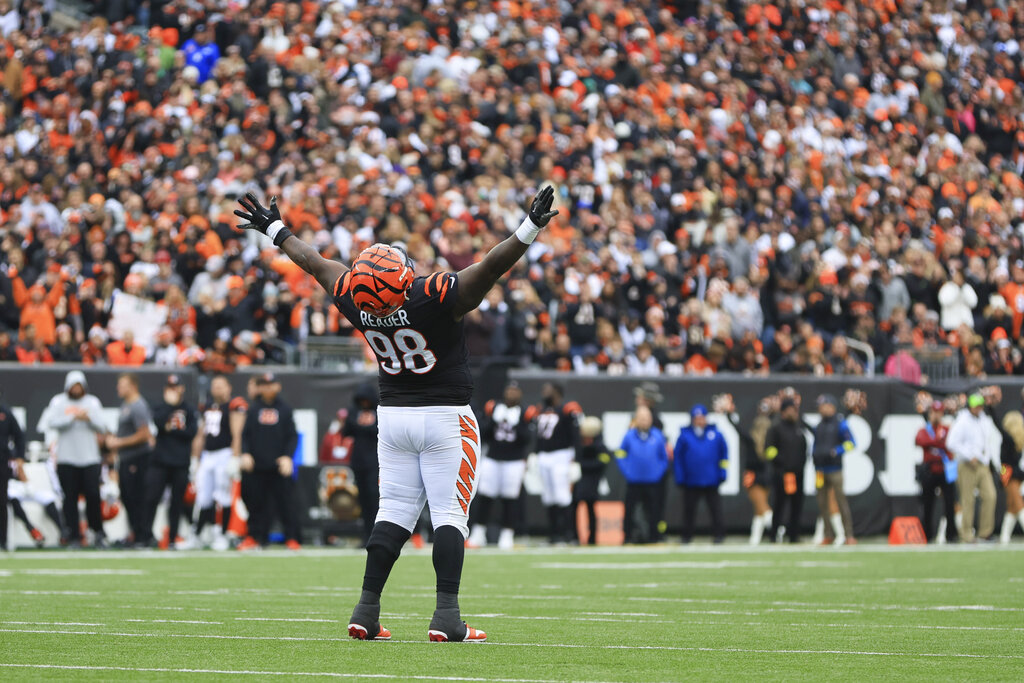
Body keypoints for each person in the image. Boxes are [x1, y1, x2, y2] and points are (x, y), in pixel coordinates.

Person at [234, 184, 558, 642]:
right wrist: (530, 227)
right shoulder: (432, 294)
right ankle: (447, 615)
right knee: (449, 514)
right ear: (404, 277)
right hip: (446, 415)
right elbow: (490, 267)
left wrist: (275, 229)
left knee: (394, 511)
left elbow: (315, 264)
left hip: (394, 417)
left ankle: (366, 609)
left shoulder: (354, 298)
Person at [40, 370, 108, 548]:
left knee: (93, 496)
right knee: (69, 498)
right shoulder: (58, 401)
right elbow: (50, 423)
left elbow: (102, 426)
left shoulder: (92, 402)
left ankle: (97, 532)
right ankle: (74, 535)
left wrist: (88, 418)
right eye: (73, 386)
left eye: (79, 386)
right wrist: (72, 417)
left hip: (89, 457)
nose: (76, 389)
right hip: (66, 458)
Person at [238, 373, 301, 551]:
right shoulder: (253, 408)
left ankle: (292, 537)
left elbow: (292, 436)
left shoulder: (285, 409)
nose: (267, 388)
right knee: (255, 503)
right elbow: (245, 435)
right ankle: (255, 537)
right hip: (257, 465)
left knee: (286, 503)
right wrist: (245, 453)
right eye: (263, 385)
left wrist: (288, 457)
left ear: (277, 386)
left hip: (278, 465)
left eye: (270, 384)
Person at [468, 381, 531, 550]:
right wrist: (493, 421)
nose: (511, 394)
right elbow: (483, 433)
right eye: (509, 390)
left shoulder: (525, 412)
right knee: (485, 496)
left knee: (509, 498)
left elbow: (528, 439)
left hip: (514, 460)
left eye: (514, 391)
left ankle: (507, 534)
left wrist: (516, 424)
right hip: (493, 457)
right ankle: (478, 533)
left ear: (520, 394)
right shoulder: (494, 407)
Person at [140, 375, 200, 549]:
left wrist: (171, 429)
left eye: (176, 387)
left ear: (182, 389)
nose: (173, 391)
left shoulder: (189, 409)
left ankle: (173, 538)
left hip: (180, 462)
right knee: (151, 498)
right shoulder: (160, 406)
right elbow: (158, 423)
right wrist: (170, 406)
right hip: (160, 461)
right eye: (170, 387)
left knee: (177, 502)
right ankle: (145, 536)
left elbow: (190, 432)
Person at [192, 374, 247, 550]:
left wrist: (235, 456)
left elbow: (237, 433)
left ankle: (222, 534)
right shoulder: (207, 405)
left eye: (221, 385)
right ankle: (198, 534)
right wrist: (195, 458)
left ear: (229, 387)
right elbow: (201, 434)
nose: (217, 388)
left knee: (223, 495)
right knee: (203, 497)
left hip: (224, 453)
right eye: (214, 385)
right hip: (208, 454)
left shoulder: (233, 405)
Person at [526, 382, 583, 545]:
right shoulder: (541, 410)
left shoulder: (567, 409)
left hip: (561, 455)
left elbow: (575, 436)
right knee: (549, 497)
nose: (544, 392)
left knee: (562, 496)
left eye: (547, 389)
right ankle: (554, 534)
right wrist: (535, 453)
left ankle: (568, 534)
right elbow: (538, 435)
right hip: (544, 456)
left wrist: (576, 461)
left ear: (556, 392)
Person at [718, 393, 772, 544]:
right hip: (766, 475)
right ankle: (755, 538)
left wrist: (729, 414)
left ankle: (777, 530)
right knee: (759, 510)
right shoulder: (770, 440)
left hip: (753, 475)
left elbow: (738, 428)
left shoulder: (751, 440)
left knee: (762, 507)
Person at [106, 373, 153, 547]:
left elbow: (144, 434)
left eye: (122, 385)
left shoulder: (138, 405)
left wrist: (119, 442)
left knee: (136, 497)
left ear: (133, 386)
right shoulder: (126, 405)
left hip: (137, 458)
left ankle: (142, 535)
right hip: (127, 457)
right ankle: (135, 533)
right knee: (127, 496)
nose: (118, 388)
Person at [946, 393, 998, 543]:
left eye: (981, 405)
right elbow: (951, 443)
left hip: (982, 464)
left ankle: (985, 532)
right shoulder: (962, 421)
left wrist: (987, 458)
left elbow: (986, 441)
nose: (979, 408)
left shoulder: (983, 419)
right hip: (967, 465)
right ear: (970, 406)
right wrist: (969, 455)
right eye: (976, 406)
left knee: (990, 495)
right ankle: (967, 534)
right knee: (967, 500)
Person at [674, 404, 728, 544]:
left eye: (702, 417)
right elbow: (678, 458)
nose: (700, 420)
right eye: (697, 418)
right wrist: (680, 476)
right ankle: (687, 536)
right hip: (691, 480)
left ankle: (719, 535)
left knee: (716, 510)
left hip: (711, 479)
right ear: (692, 419)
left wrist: (722, 472)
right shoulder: (685, 436)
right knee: (689, 511)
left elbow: (724, 455)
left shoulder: (716, 434)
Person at [616, 405, 669, 544]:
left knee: (654, 510)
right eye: (641, 418)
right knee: (629, 510)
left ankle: (654, 536)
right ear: (636, 419)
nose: (644, 421)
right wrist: (627, 471)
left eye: (646, 418)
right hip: (634, 481)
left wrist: (658, 472)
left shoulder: (658, 435)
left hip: (652, 481)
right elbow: (620, 454)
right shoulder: (629, 435)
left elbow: (664, 457)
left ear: (651, 419)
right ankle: (627, 537)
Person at [811, 394, 856, 546]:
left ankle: (849, 535)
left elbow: (851, 443)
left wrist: (837, 451)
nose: (820, 409)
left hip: (835, 469)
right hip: (820, 470)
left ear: (831, 406)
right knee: (822, 504)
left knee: (841, 502)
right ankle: (828, 534)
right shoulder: (820, 425)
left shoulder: (840, 424)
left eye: (823, 405)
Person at [764, 396, 809, 543]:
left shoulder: (799, 428)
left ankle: (794, 536)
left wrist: (800, 465)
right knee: (779, 506)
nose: (792, 413)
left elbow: (804, 449)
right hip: (782, 474)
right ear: (783, 411)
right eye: (789, 409)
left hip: (798, 474)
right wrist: (782, 462)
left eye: (794, 410)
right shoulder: (775, 428)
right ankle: (773, 535)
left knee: (796, 507)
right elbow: (769, 450)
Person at [343, 383, 381, 546]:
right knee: (363, 500)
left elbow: (379, 430)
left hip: (376, 461)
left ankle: (378, 534)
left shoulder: (380, 410)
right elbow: (346, 431)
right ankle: (367, 535)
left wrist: (360, 427)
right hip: (359, 462)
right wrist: (363, 427)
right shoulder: (354, 410)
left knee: (375, 498)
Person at [915, 401, 958, 543]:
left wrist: (935, 442)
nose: (936, 415)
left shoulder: (947, 428)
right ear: (930, 413)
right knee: (928, 504)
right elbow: (920, 440)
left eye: (939, 412)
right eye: (934, 412)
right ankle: (927, 535)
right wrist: (937, 441)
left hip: (945, 469)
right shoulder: (925, 429)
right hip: (930, 470)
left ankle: (951, 535)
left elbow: (950, 443)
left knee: (950, 503)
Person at [7, 456, 66, 547]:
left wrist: (25, 481)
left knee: (48, 497)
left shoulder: (14, 454)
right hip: (9, 488)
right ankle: (31, 528)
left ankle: (63, 531)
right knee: (12, 496)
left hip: (21, 486)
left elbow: (22, 473)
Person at [575, 415, 610, 546]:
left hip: (592, 481)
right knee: (574, 508)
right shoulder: (578, 443)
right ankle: (574, 536)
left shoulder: (599, 445)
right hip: (578, 481)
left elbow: (604, 461)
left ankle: (593, 538)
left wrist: (582, 465)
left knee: (591, 508)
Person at [1, 393, 25, 551]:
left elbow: (19, 436)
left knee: (1, 502)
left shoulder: (5, 412)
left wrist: (19, 457)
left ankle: (2, 540)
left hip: (1, 462)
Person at [998, 409, 1024, 544]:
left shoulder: (1010, 438)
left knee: (1016, 504)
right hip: (1012, 472)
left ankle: (1004, 536)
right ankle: (1004, 536)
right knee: (1014, 504)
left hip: (1010, 471)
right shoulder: (1014, 438)